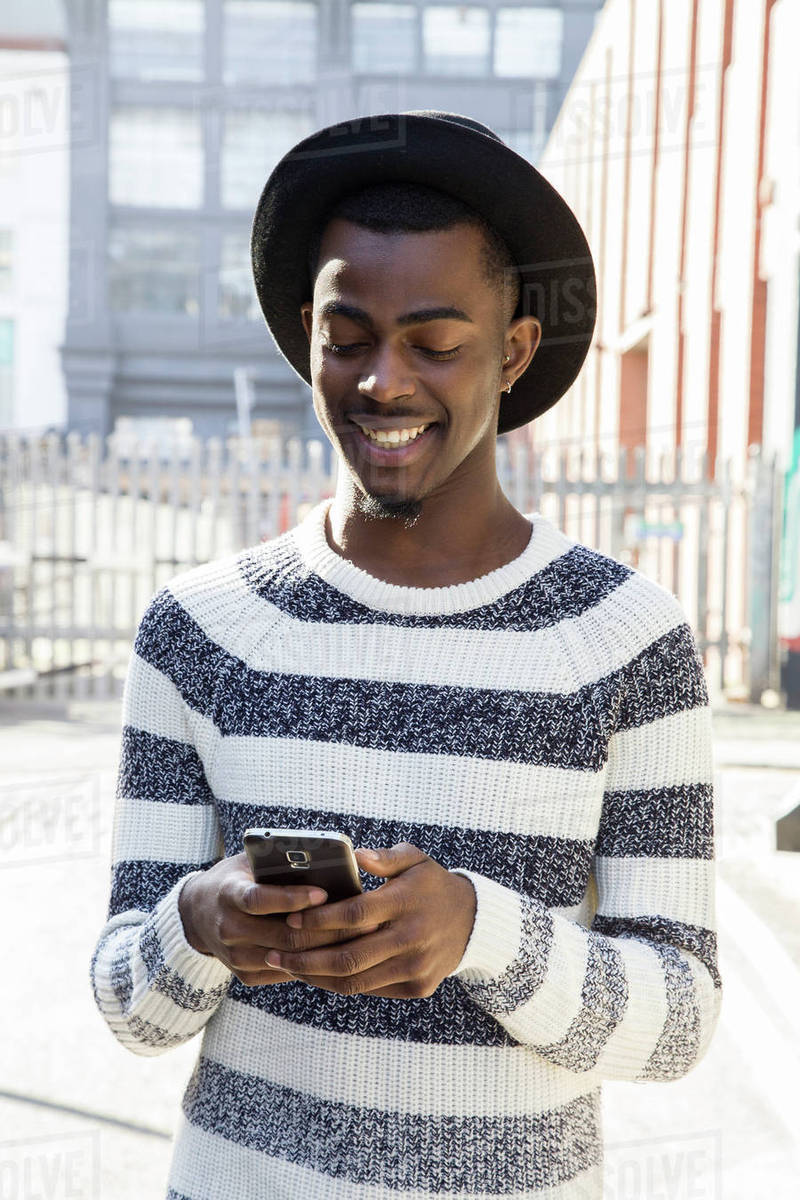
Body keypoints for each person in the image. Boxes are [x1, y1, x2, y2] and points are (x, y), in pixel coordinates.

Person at [90, 112, 722, 1199]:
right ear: (309, 334)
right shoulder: (196, 629)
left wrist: (479, 930)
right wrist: (201, 920)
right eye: (347, 339)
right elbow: (126, 1005)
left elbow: (677, 1020)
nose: (382, 381)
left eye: (434, 343)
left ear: (514, 350)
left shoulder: (626, 639)